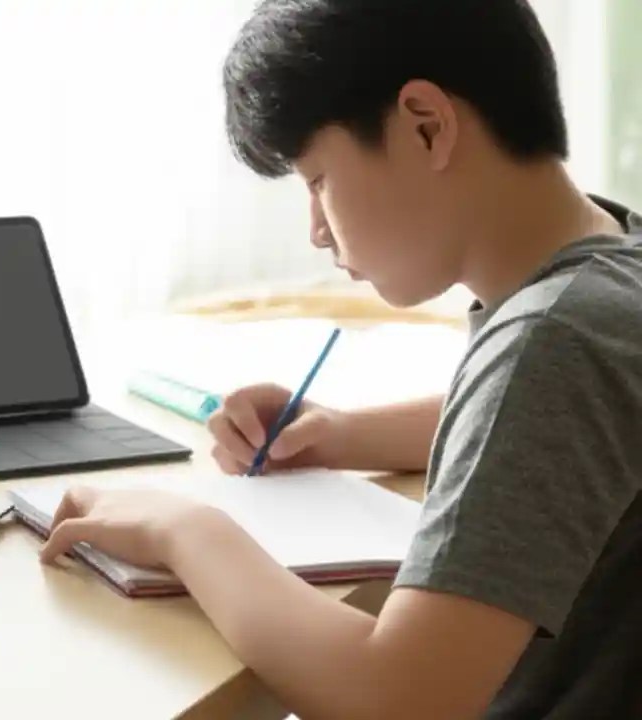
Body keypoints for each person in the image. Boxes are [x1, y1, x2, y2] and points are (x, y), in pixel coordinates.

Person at [37, 1, 642, 717]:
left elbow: (396, 697)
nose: (317, 230)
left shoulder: (554, 341)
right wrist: (346, 434)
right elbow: (578, 426)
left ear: (426, 126)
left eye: (318, 179)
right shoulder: (612, 266)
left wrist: (186, 530)